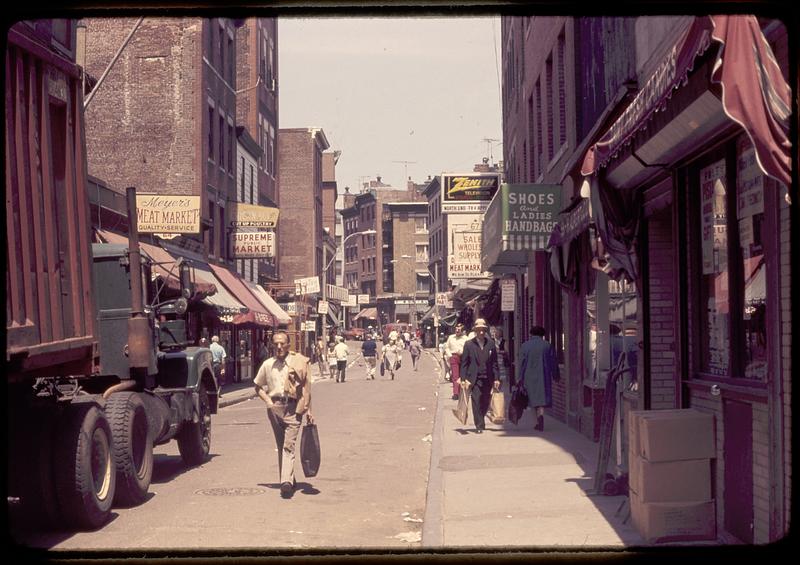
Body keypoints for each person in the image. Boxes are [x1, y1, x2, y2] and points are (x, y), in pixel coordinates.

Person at [253, 331, 313, 499]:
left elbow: (306, 389)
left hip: (294, 408)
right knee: (282, 445)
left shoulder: (296, 363)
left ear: (288, 345)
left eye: (282, 343)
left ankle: (285, 482)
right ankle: (290, 479)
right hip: (274, 408)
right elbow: (257, 386)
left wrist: (309, 411)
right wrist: (268, 402)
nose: (279, 346)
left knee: (288, 445)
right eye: (276, 343)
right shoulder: (267, 365)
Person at [459, 319, 500, 434]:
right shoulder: (469, 344)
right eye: (479, 330)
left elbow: (495, 363)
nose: (481, 332)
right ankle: (479, 425)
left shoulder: (490, 343)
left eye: (483, 330)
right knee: (476, 400)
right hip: (474, 378)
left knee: (485, 400)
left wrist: (497, 378)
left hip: (488, 377)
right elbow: (464, 363)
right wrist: (463, 379)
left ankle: (481, 418)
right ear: (475, 331)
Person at [517, 325, 558, 431]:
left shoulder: (525, 346)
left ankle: (536, 421)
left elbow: (521, 363)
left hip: (528, 376)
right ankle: (541, 415)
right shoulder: (547, 345)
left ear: (531, 334)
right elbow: (553, 361)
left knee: (532, 399)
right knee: (541, 398)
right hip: (543, 375)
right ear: (542, 334)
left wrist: (519, 378)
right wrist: (555, 374)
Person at [444, 323, 469, 400]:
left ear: (463, 331)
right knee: (455, 376)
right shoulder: (451, 337)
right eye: (456, 329)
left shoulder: (466, 338)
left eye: (459, 329)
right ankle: (456, 393)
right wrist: (450, 355)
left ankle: (464, 392)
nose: (457, 331)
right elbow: (446, 347)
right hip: (454, 357)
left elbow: (469, 348)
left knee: (463, 375)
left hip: (463, 357)